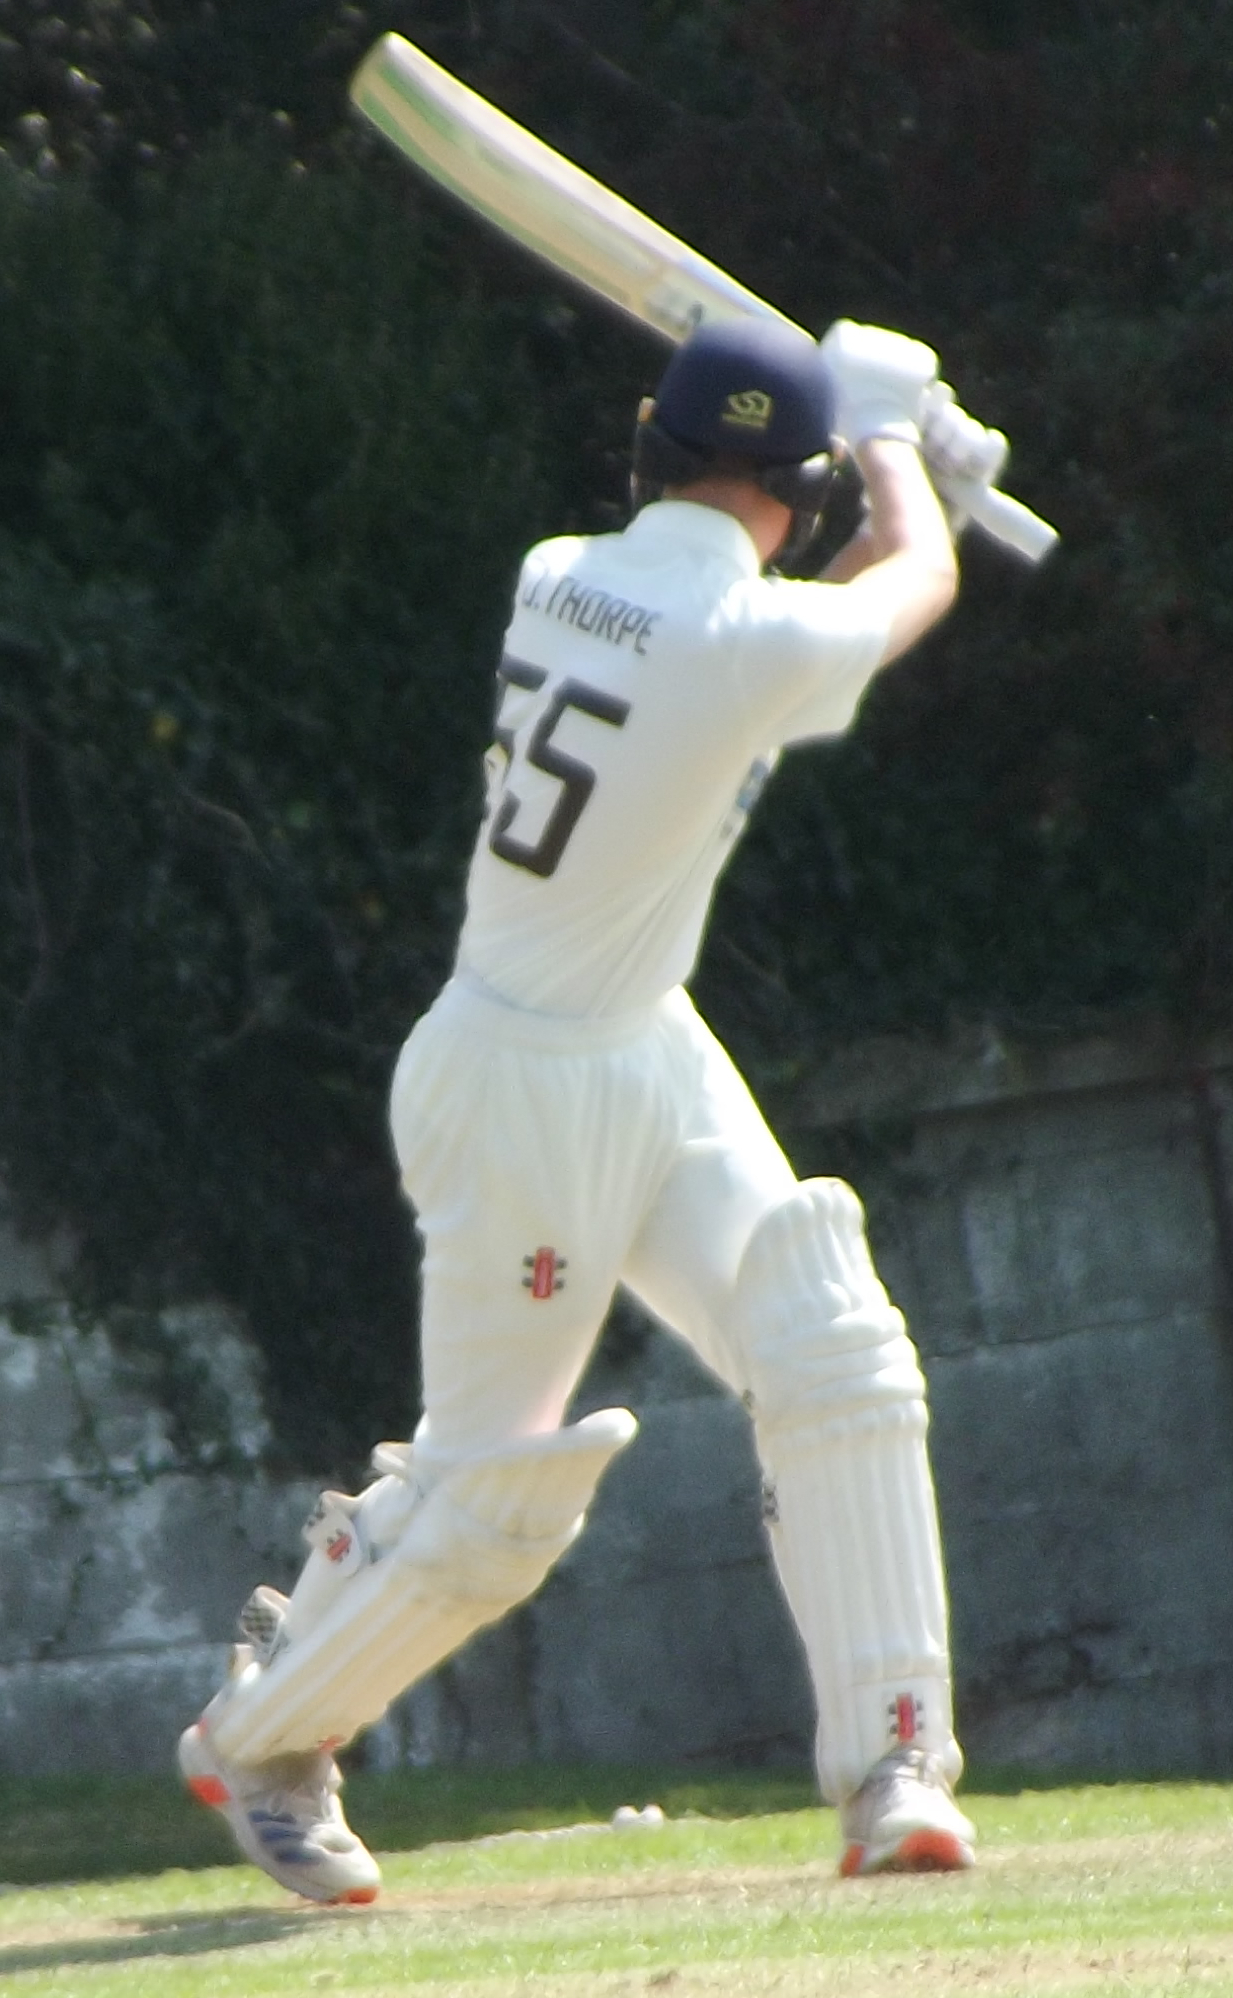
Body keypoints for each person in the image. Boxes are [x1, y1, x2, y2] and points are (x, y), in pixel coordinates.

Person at [177, 315, 1011, 1903]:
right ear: (801, 490)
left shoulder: (568, 573)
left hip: (638, 1036)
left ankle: (897, 1768)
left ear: (650, 444)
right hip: (527, 1089)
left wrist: (892, 466)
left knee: (829, 1337)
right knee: (492, 1505)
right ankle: (260, 1736)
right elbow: (908, 585)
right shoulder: (742, 632)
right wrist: (900, 443)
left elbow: (817, 623)